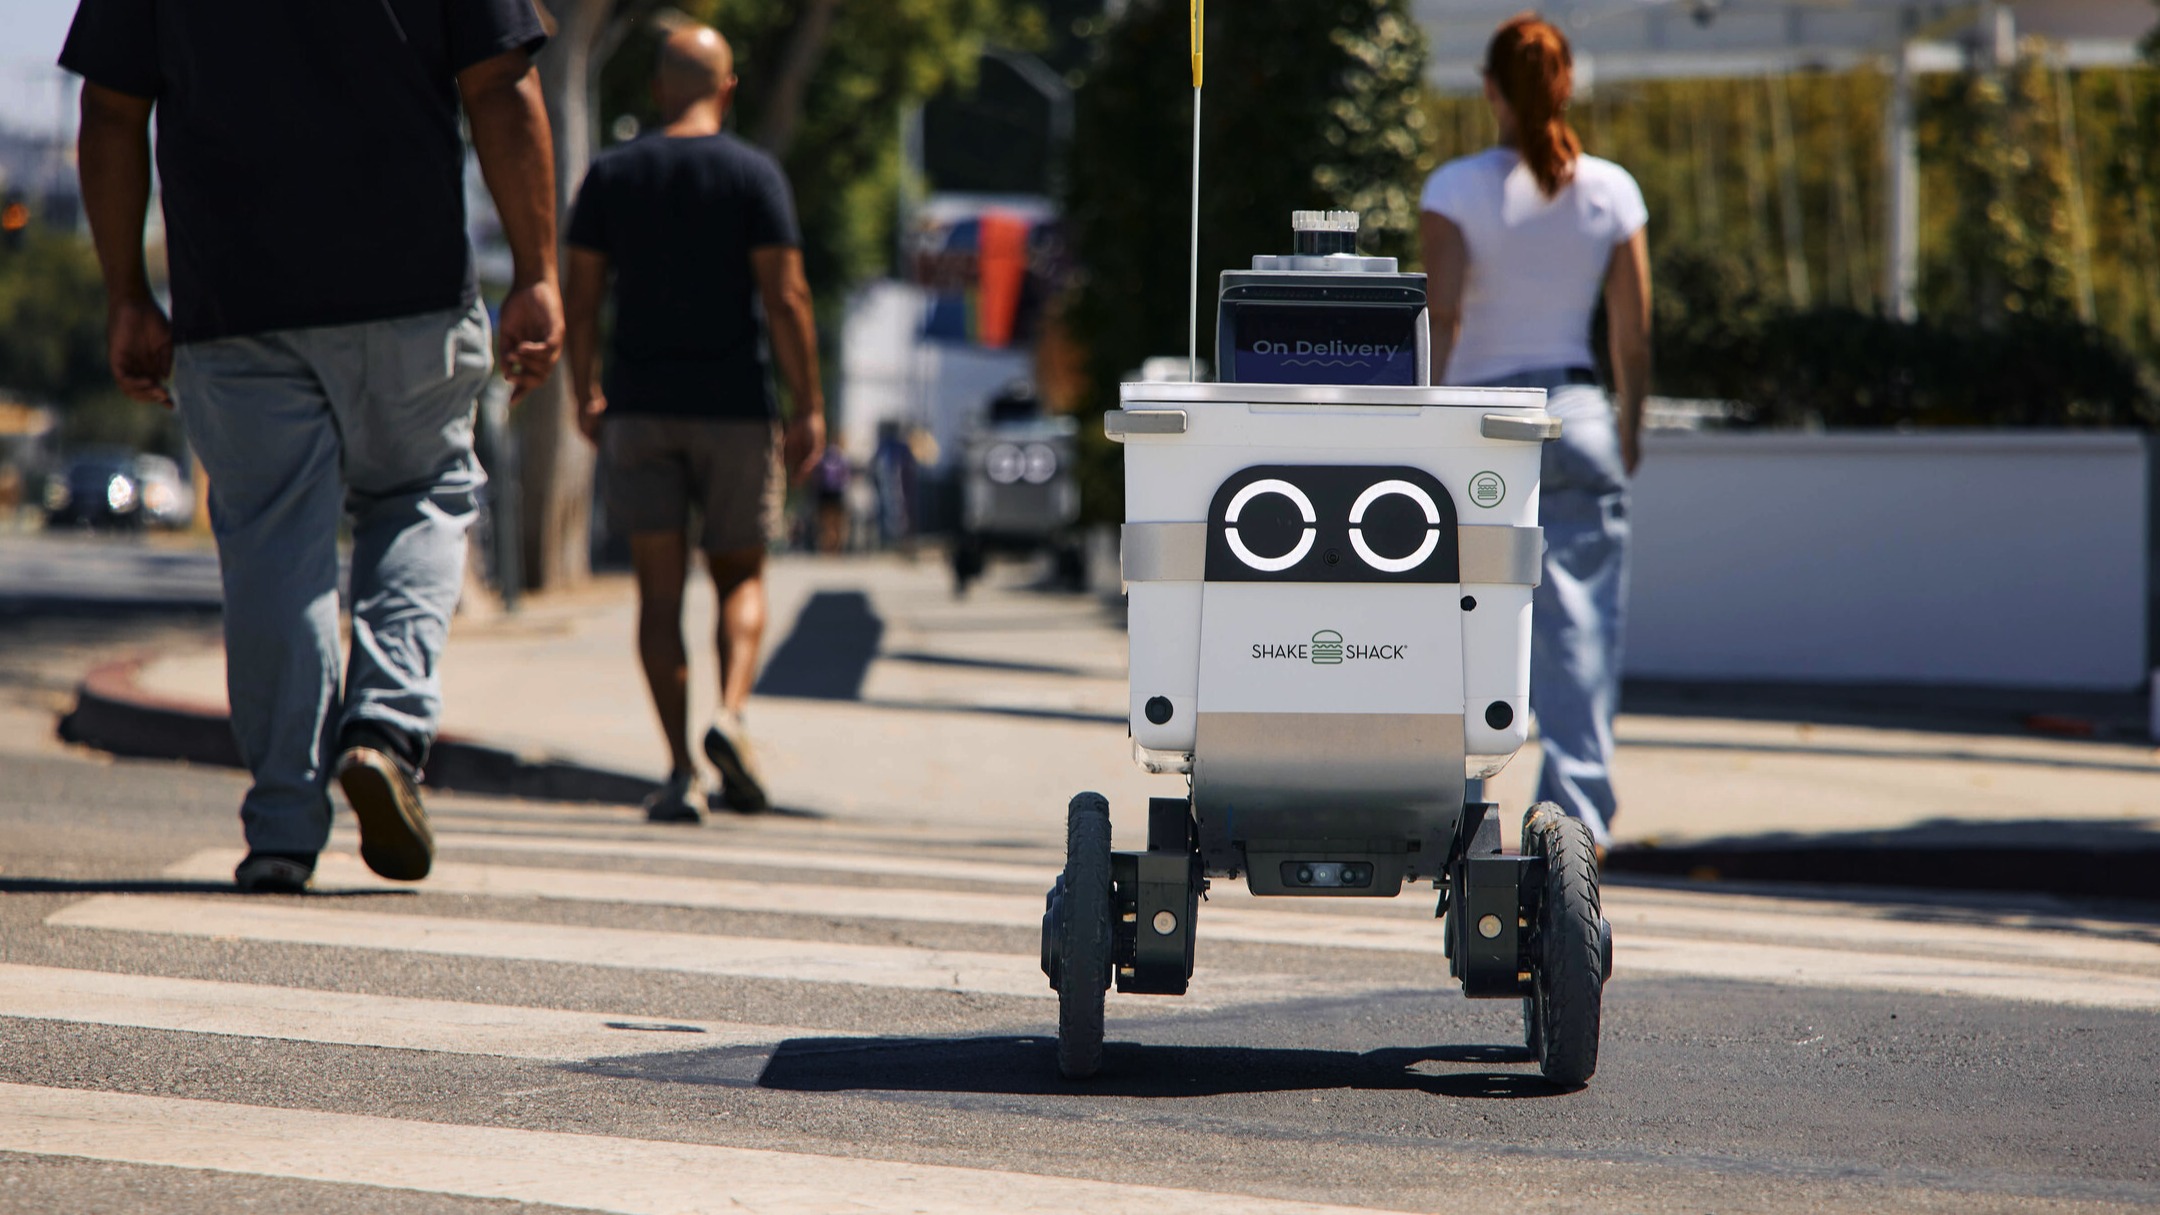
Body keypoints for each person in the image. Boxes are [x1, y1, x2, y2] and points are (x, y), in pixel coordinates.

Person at [63, 0, 563, 892]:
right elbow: (502, 85)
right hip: (410, 295)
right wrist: (536, 273)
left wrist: (127, 294)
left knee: (272, 544)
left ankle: (283, 823)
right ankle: (384, 730)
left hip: (236, 303)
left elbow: (110, 108)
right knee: (418, 492)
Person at [564, 22, 823, 823]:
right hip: (736, 408)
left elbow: (580, 298)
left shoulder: (611, 175)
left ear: (656, 90)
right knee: (740, 576)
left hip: (639, 409)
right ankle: (731, 714)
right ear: (728, 88)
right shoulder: (753, 174)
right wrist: (809, 403)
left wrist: (585, 389)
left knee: (658, 593)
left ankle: (680, 770)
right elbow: (786, 297)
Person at [1419, 13, 1652, 856]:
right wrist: (1629, 426)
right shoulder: (1612, 191)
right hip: (1577, 417)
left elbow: (1444, 315)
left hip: (1478, 430)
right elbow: (1631, 334)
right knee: (1578, 631)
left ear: (1489, 89)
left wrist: (1424, 425)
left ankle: (1451, 814)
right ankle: (1575, 825)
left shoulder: (1454, 189)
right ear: (1567, 85)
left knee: (1460, 622)